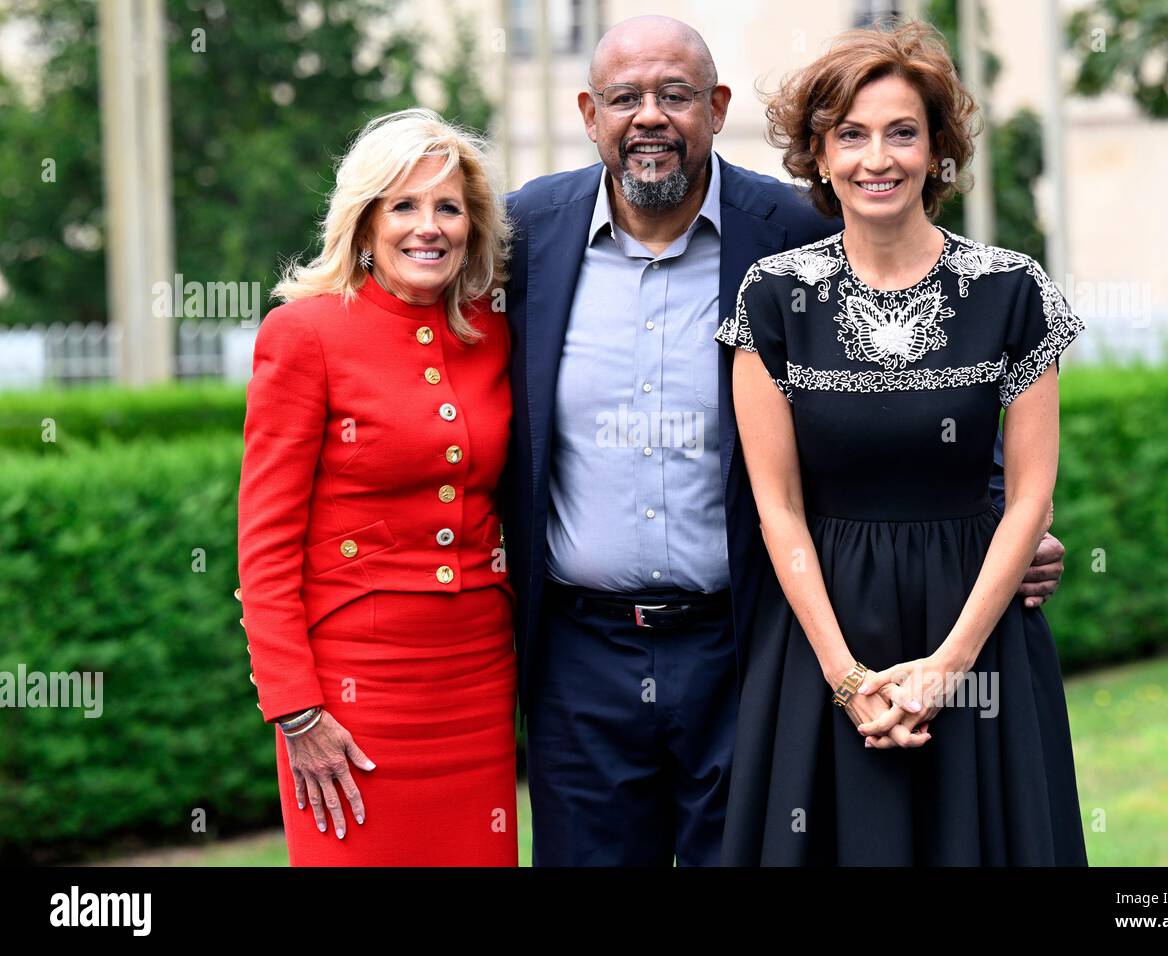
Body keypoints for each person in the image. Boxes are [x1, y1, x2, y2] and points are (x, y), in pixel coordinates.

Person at [502, 15, 1068, 867]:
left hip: (744, 639)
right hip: (588, 653)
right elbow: (428, 363)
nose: (649, 115)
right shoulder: (524, 233)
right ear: (589, 113)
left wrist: (1000, 528)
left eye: (676, 94)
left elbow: (945, 410)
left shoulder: (786, 235)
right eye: (625, 97)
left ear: (717, 107)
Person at [716, 22, 1089, 865]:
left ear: (937, 148)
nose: (874, 158)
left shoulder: (1010, 290)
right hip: (821, 638)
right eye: (849, 134)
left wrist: (947, 668)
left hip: (978, 628)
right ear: (817, 153)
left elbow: (1031, 497)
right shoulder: (771, 298)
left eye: (901, 132)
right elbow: (777, 507)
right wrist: (850, 680)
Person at [236, 108, 517, 866]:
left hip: (477, 677)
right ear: (365, 225)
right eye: (404, 205)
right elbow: (263, 546)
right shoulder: (305, 334)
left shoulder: (494, 331)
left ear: (472, 228)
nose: (428, 227)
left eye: (448, 207)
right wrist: (295, 711)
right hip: (354, 690)